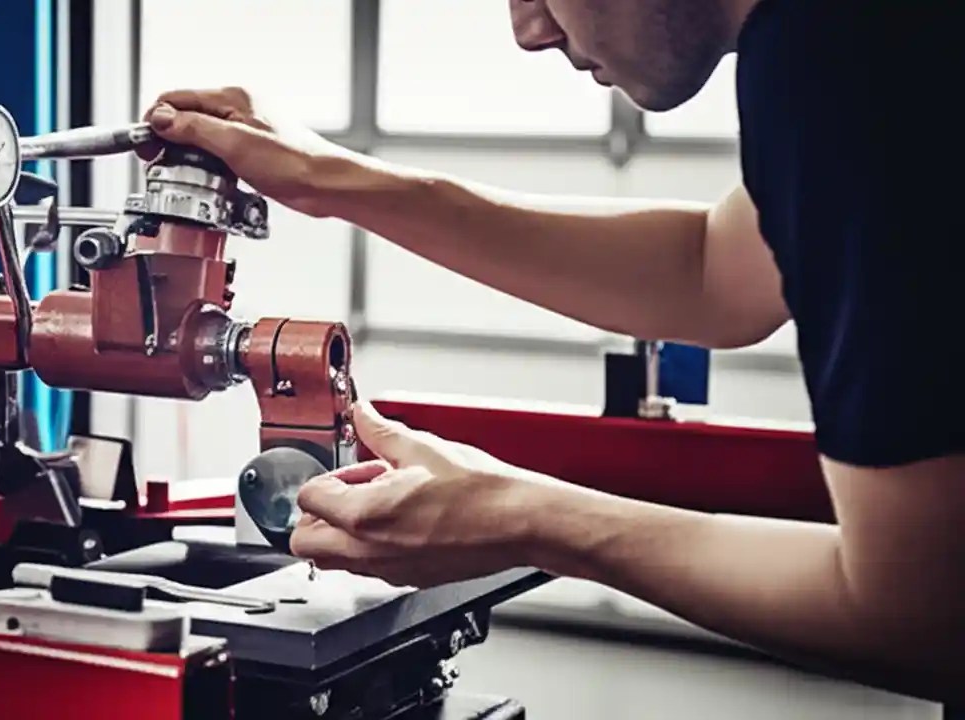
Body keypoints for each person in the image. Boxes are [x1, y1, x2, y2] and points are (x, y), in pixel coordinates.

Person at [137, 0, 963, 705]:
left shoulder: (852, 56)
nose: (529, 29)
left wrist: (527, 517)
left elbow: (919, 611)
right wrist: (330, 180)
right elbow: (717, 271)